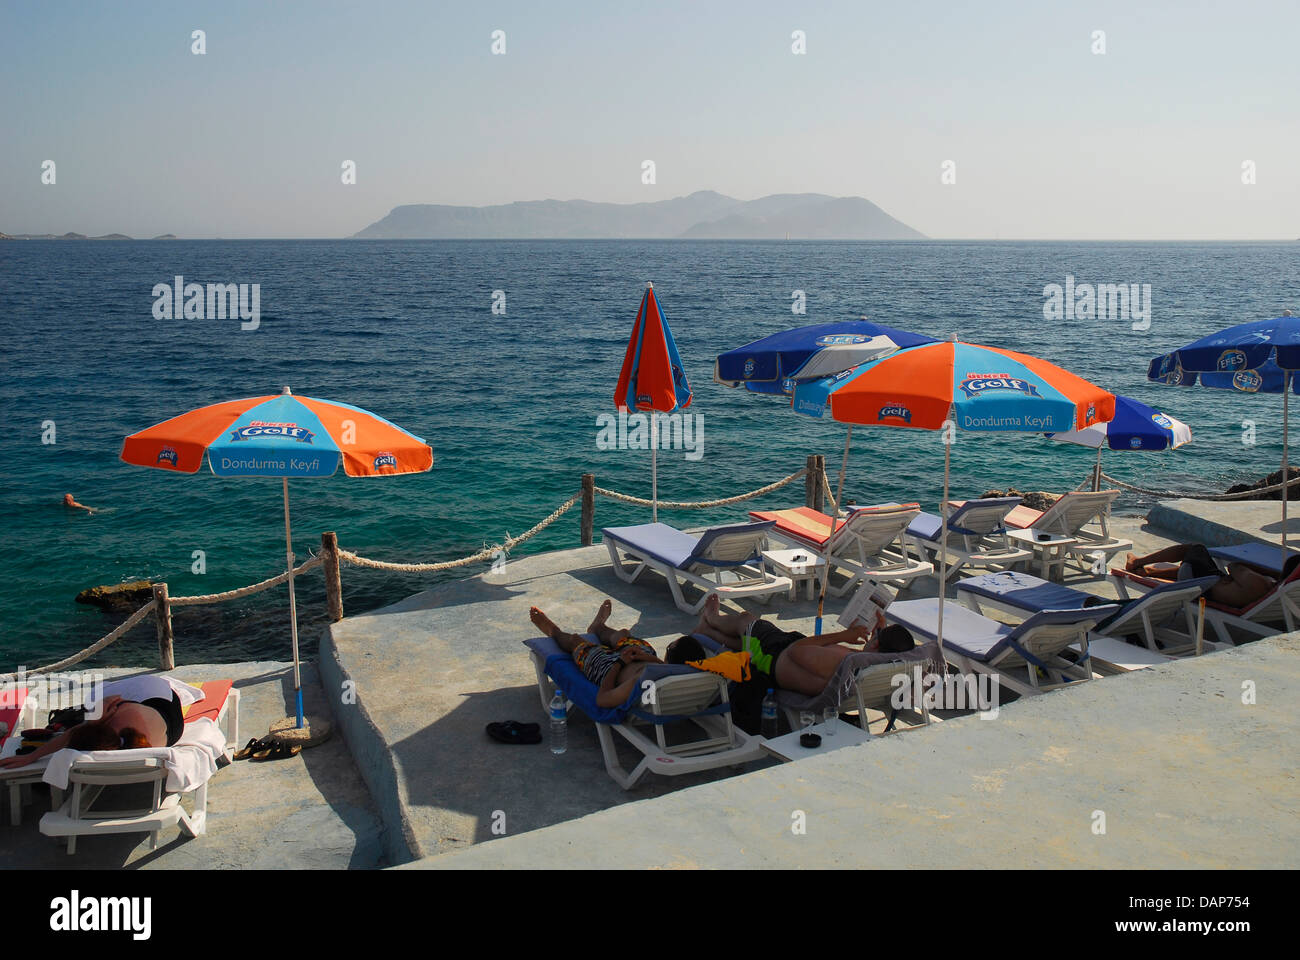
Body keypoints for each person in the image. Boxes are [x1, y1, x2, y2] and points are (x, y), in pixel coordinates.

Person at [665, 594, 910, 698]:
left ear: (877, 647)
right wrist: (879, 629)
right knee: (743, 642)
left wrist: (843, 635)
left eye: (876, 638)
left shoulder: (845, 661)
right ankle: (706, 631)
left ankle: (712, 619)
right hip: (777, 655)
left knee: (747, 620)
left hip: (774, 658)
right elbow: (882, 650)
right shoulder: (878, 667)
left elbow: (799, 650)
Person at [0, 675, 183, 769]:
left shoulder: (116, 725)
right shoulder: (121, 717)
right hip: (160, 698)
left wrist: (31, 757)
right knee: (96, 696)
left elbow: (72, 734)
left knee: (94, 696)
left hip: (170, 726)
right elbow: (76, 733)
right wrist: (98, 716)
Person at [529, 600, 663, 709]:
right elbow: (666, 666)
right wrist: (647, 657)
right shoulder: (680, 670)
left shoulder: (642, 682)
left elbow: (602, 699)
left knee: (576, 641)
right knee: (623, 634)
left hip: (608, 668)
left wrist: (619, 663)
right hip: (644, 659)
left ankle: (553, 631)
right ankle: (598, 628)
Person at [1125, 543, 1300, 609]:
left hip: (1202, 588)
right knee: (1207, 568)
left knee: (1195, 549)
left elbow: (1234, 566)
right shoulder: (1281, 593)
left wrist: (1269, 572)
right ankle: (1150, 572)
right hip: (1214, 585)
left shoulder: (1258, 583)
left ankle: (1138, 562)